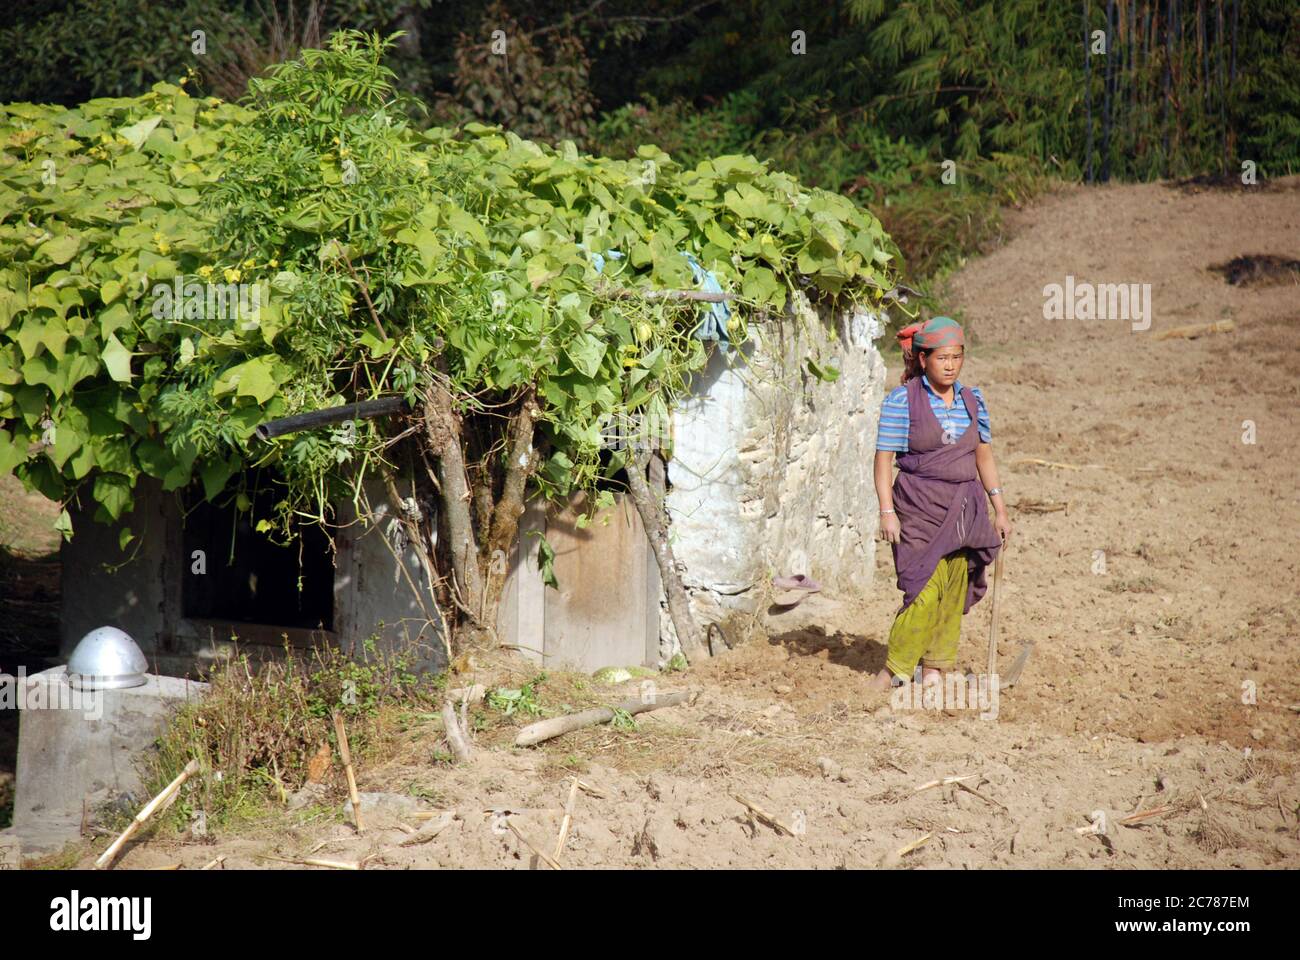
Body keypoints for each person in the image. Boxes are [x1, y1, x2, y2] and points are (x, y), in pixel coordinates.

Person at [868, 316, 1012, 693]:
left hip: (966, 506)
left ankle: (934, 669)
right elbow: (884, 459)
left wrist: (1000, 509)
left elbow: (984, 457)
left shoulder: (972, 400)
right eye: (941, 358)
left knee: (953, 586)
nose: (950, 365)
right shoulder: (903, 400)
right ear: (923, 359)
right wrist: (887, 511)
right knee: (922, 588)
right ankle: (895, 668)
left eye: (957, 357)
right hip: (919, 506)